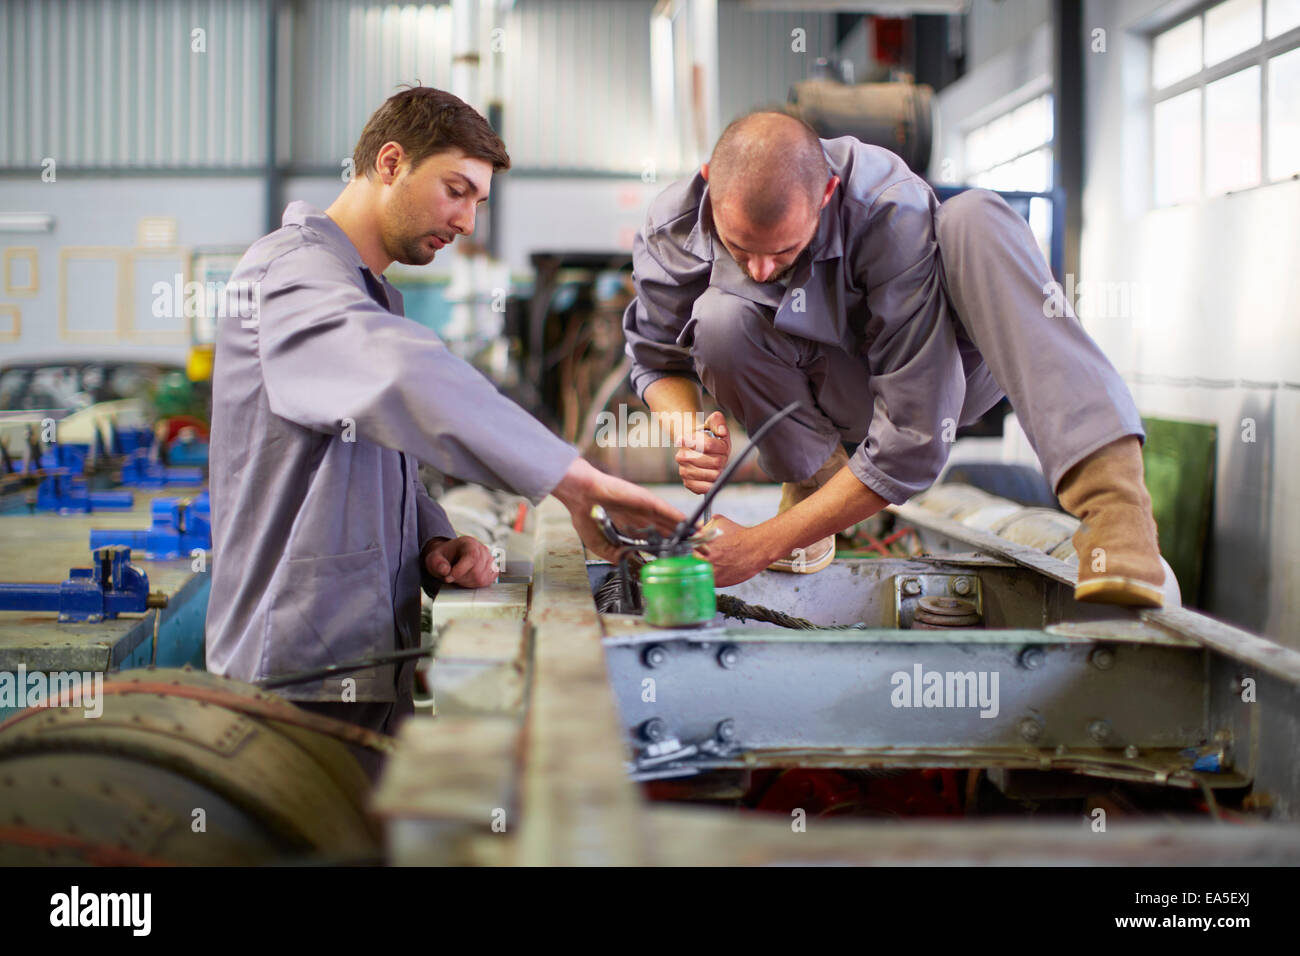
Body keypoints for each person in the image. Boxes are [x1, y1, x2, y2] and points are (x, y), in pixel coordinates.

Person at [206, 87, 683, 772]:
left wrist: (433, 535)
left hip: (364, 663)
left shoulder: (361, 291)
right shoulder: (290, 274)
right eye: (456, 190)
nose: (466, 221)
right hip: (295, 680)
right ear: (392, 162)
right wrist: (569, 476)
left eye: (478, 202)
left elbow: (360, 453)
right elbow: (400, 375)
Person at [624, 111, 1163, 607]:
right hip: (827, 388)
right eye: (741, 249)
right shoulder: (670, 227)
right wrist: (687, 429)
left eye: (784, 251)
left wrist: (762, 544)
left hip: (947, 373)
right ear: (709, 184)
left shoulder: (888, 204)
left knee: (977, 218)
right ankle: (814, 481)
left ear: (827, 193)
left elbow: (912, 439)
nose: (761, 270)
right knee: (721, 319)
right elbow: (656, 359)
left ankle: (1117, 514)